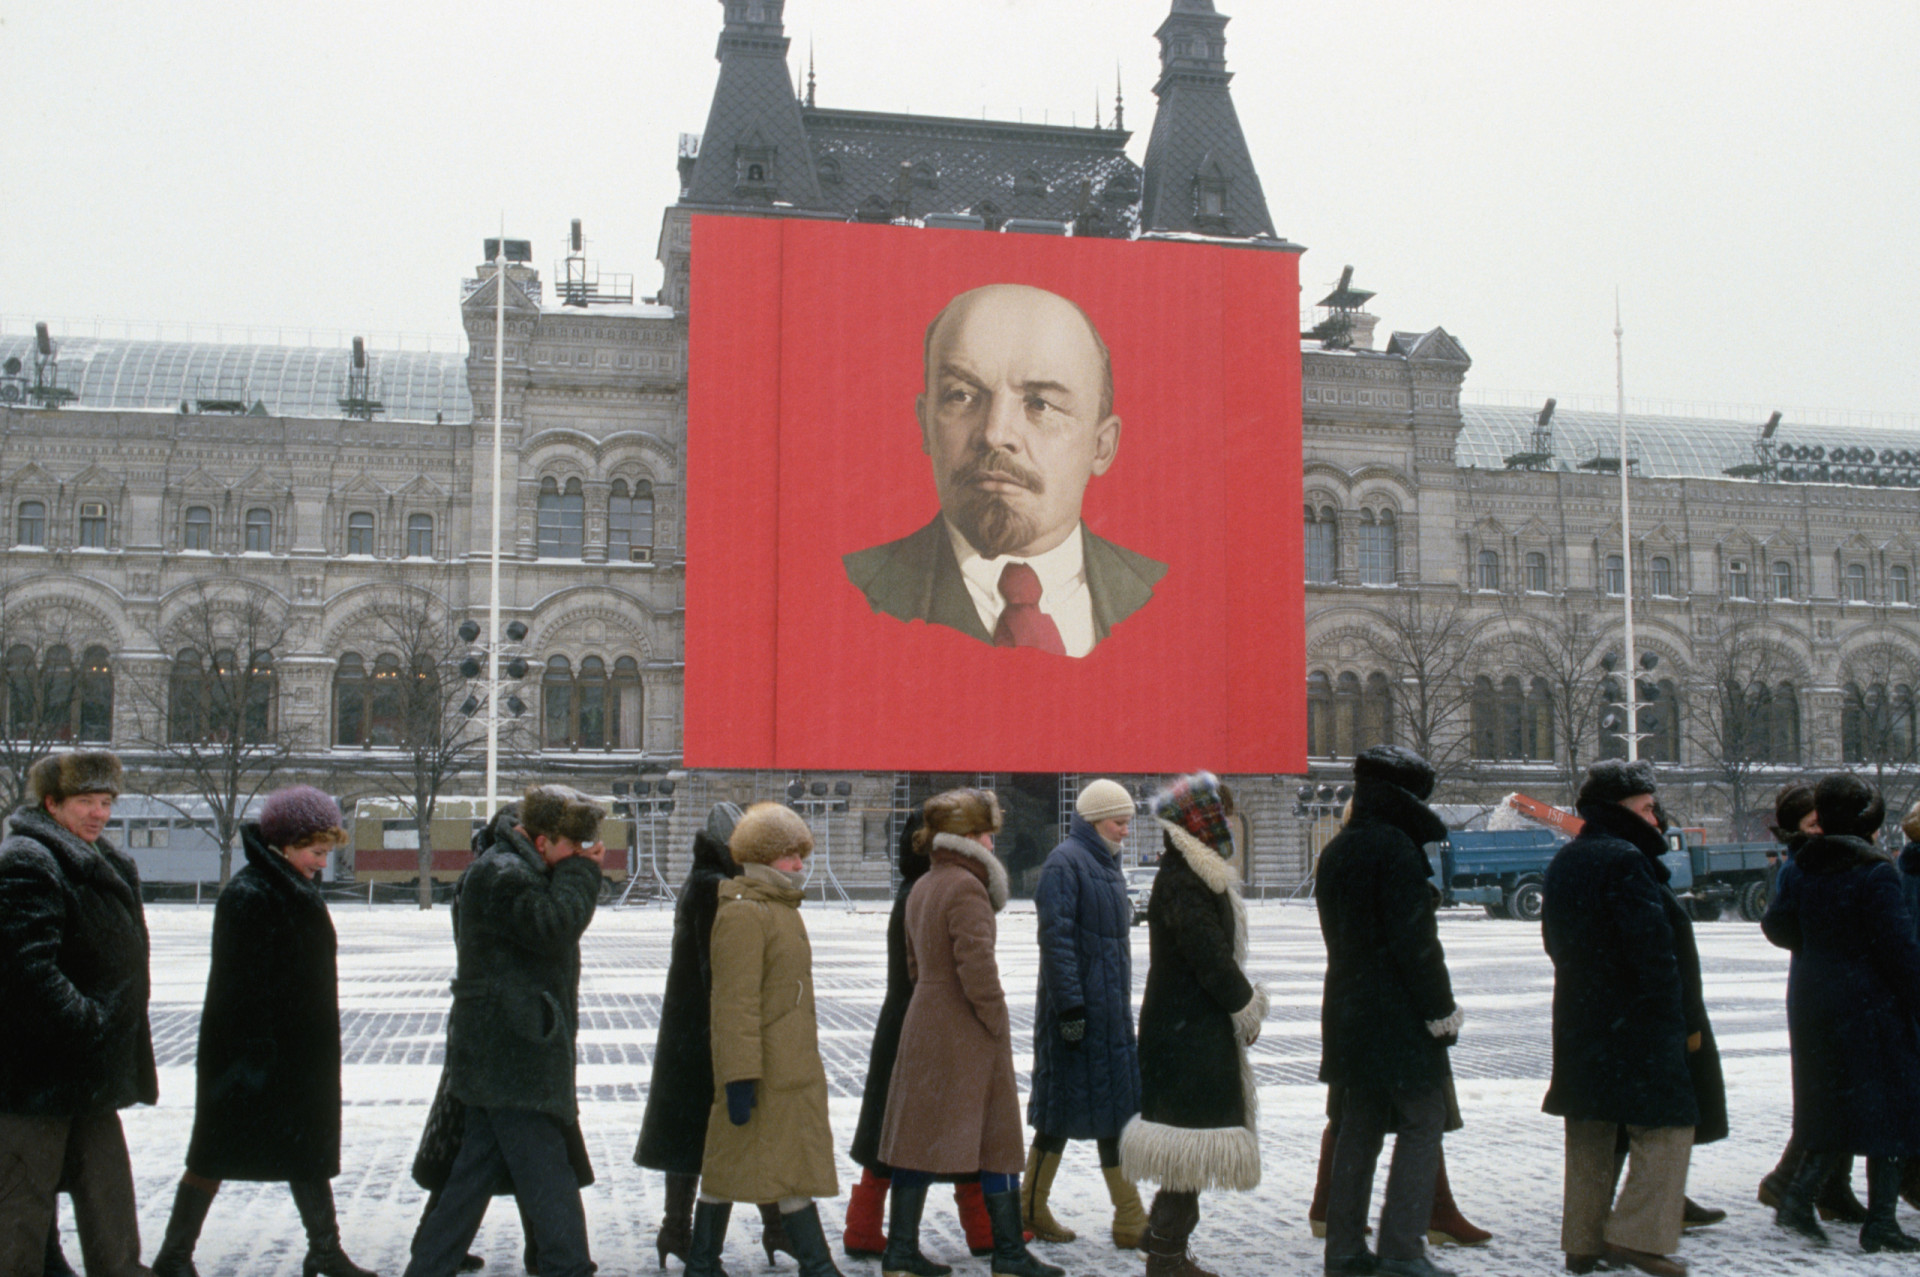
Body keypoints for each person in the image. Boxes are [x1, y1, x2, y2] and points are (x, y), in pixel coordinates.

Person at [842, 283, 1167, 657]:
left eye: (1040, 404)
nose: (995, 434)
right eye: (961, 395)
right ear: (925, 424)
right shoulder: (845, 592)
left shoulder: (1166, 599)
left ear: (1101, 446)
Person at [151, 787, 375, 1277]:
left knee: (305, 1150)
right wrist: (256, 1053)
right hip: (254, 1055)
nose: (322, 862)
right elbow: (239, 985)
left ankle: (324, 1249)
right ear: (286, 844)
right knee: (215, 1153)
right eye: (317, 852)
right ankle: (173, 1256)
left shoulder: (284, 886)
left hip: (293, 1052)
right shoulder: (251, 893)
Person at [404, 786, 606, 1277]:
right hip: (513, 1048)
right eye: (571, 847)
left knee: (473, 1174)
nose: (578, 856)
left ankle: (430, 1266)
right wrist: (584, 874)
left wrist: (572, 866)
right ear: (542, 840)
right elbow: (555, 925)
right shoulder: (502, 875)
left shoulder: (509, 869)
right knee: (547, 1174)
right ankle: (567, 1266)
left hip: (506, 1046)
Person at [877, 789, 1061, 1277]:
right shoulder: (966, 887)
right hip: (966, 1025)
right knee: (997, 1140)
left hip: (926, 1018)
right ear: (966, 839)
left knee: (916, 1138)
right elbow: (976, 963)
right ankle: (1008, 1253)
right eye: (985, 834)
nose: (992, 843)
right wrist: (995, 1018)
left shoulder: (924, 884)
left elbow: (915, 965)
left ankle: (899, 1252)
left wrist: (932, 1003)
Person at [0, 750, 157, 1277]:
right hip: (39, 1078)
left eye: (106, 801)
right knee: (20, 1205)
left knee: (108, 1196)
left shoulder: (103, 860)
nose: (99, 813)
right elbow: (26, 969)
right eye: (85, 801)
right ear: (52, 803)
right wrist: (87, 1021)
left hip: (91, 1072)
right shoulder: (29, 859)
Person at [1542, 760, 1696, 1277]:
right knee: (1666, 1126)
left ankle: (1582, 1242)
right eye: (1648, 807)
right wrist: (1667, 1014)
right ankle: (1638, 1236)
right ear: (1620, 811)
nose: (1657, 818)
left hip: (1581, 1015)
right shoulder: (1627, 861)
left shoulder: (1569, 858)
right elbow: (1652, 950)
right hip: (1636, 1020)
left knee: (1590, 1128)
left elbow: (1556, 943)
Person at [1314, 747, 1462, 1277]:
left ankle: (1346, 1251)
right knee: (1426, 1118)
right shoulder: (1397, 851)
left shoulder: (1337, 850)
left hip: (1349, 1010)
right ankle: (1402, 1249)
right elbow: (1416, 946)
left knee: (1360, 1124)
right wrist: (1441, 1012)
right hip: (1397, 1015)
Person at [1762, 773, 1920, 1252]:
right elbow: (1899, 948)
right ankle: (1881, 1223)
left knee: (1829, 1105)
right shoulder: (1875, 871)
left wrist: (1821, 952)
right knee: (1892, 1110)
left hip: (1815, 997)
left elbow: (1778, 923)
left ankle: (1797, 1198)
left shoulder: (1803, 865)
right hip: (1871, 1003)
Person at [635, 803, 797, 1268]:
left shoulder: (708, 882)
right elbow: (721, 970)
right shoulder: (715, 888)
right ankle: (700, 1234)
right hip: (705, 1031)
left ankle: (686, 1232)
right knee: (726, 1134)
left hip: (692, 1029)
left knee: (709, 1134)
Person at [686, 804, 842, 1277]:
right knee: (739, 1165)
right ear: (761, 857)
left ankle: (711, 1261)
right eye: (789, 856)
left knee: (777, 1164)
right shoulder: (745, 913)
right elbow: (733, 1005)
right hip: (762, 1068)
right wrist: (738, 1075)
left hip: (787, 1067)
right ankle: (709, 1262)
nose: (799, 865)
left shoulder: (778, 908)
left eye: (801, 854)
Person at [1120, 773, 1266, 1277]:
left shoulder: (1192, 873)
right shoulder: (1186, 878)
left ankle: (1164, 1244)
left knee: (1189, 1150)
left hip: (1187, 1027)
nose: (1226, 822)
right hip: (1187, 1033)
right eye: (1219, 813)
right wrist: (1246, 1007)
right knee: (1191, 1147)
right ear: (1199, 822)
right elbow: (1210, 958)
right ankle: (1164, 1253)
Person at [842, 816, 999, 1262]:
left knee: (893, 1128)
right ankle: (980, 1226)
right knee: (953, 1123)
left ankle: (864, 1225)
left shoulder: (914, 890)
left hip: (903, 1019)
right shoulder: (933, 890)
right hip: (929, 1021)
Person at [1024, 779, 1146, 1248]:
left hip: (1109, 1013)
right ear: (1096, 820)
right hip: (1074, 1014)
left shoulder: (1105, 864)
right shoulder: (1065, 863)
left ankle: (1130, 1218)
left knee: (1115, 1111)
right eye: (1120, 822)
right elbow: (1055, 942)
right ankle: (1030, 1209)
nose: (1126, 832)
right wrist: (1072, 1008)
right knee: (1057, 1114)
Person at [1753, 784, 1869, 1224]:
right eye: (1813, 824)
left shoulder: (1823, 860)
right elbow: (1779, 925)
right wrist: (1822, 947)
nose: (1822, 830)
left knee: (1836, 1088)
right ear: (1796, 830)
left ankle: (1827, 1187)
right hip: (1821, 988)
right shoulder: (1803, 866)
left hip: (1822, 985)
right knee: (1827, 1091)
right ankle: (1791, 1183)